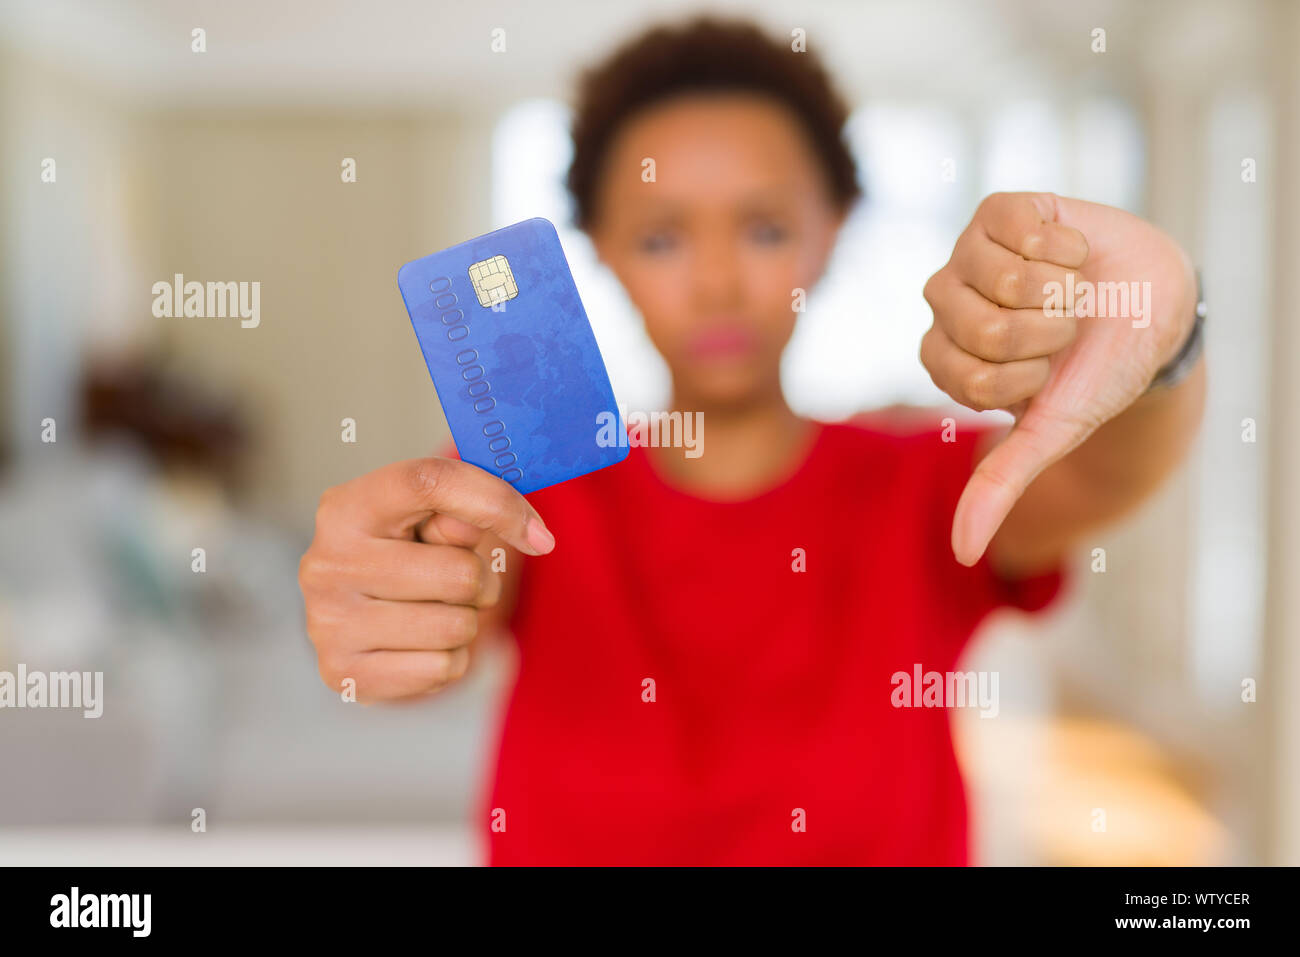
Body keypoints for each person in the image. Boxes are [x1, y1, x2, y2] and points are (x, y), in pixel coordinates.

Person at [297, 17, 1207, 865]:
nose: (720, 280)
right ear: (600, 251)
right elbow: (449, 597)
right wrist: (388, 600)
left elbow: (1101, 475)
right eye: (662, 238)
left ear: (832, 232)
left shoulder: (923, 484)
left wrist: (1162, 337)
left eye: (765, 227)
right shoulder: (526, 493)